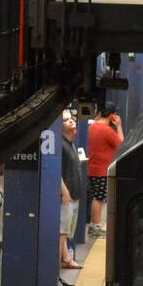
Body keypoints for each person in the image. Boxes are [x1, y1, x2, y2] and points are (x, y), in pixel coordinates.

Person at [86, 103, 123, 237]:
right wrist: (119, 126)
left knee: (96, 197)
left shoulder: (91, 127)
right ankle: (95, 227)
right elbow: (122, 145)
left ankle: (94, 225)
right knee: (99, 198)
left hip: (92, 168)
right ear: (112, 115)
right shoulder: (107, 131)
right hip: (102, 170)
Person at [59, 110, 85, 271]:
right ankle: (64, 262)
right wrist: (65, 193)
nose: (71, 121)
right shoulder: (60, 145)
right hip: (67, 197)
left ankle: (66, 259)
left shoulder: (70, 143)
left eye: (72, 119)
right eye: (66, 120)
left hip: (74, 196)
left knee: (66, 232)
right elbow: (57, 172)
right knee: (62, 233)